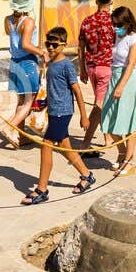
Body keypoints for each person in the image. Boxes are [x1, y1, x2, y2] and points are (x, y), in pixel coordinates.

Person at [24, 27, 95, 203]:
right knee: (65, 147)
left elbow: (77, 91)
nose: (50, 48)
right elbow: (52, 88)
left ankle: (41, 189)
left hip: (63, 113)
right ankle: (87, 175)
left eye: (54, 45)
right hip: (53, 110)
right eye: (48, 44)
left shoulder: (67, 66)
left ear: (63, 45)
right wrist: (42, 104)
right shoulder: (51, 65)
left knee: (46, 145)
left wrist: (84, 116)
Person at [97, 5, 136, 175]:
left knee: (128, 121)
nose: (116, 27)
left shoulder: (135, 39)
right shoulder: (117, 36)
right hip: (115, 76)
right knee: (108, 118)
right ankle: (122, 153)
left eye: (119, 24)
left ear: (127, 23)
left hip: (128, 79)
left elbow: (131, 64)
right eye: (114, 24)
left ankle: (129, 161)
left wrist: (121, 86)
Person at [0, 0, 46, 147]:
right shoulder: (28, 21)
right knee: (29, 101)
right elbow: (25, 44)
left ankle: (20, 135)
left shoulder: (8, 20)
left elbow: (11, 36)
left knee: (20, 100)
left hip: (14, 62)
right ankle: (8, 127)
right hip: (27, 62)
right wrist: (42, 52)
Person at [76, 0, 115, 153]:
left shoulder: (87, 21)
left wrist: (82, 69)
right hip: (107, 67)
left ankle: (107, 138)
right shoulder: (114, 22)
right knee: (99, 104)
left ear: (97, 1)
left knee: (103, 102)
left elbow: (81, 47)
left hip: (91, 67)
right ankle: (85, 143)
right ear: (111, 1)